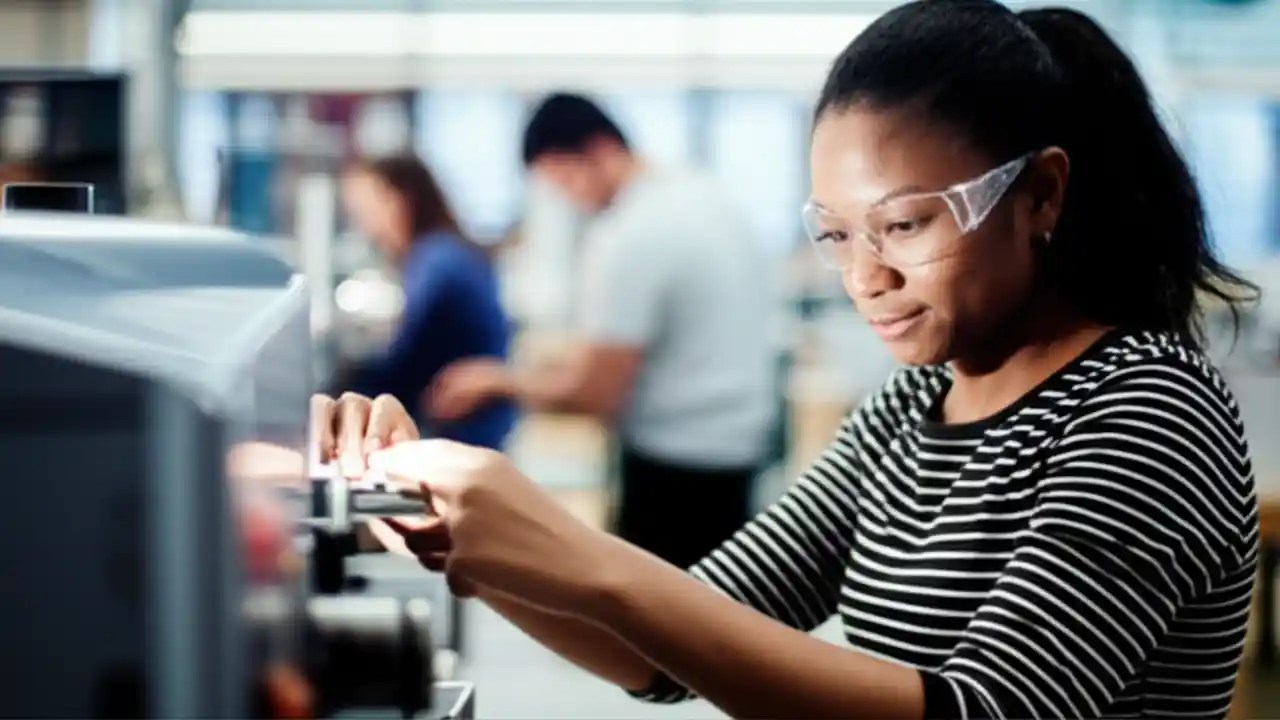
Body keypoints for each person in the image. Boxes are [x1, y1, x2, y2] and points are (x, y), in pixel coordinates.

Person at [314, 3, 1261, 718]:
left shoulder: (1146, 408)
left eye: (903, 225)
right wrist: (447, 535)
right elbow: (666, 647)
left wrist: (565, 549)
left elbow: (987, 711)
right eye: (838, 235)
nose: (867, 277)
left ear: (1041, 194)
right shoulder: (908, 411)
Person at [426, 93, 777, 569]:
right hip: (737, 453)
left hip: (673, 473)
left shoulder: (630, 233)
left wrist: (499, 382)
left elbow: (595, 394)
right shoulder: (704, 195)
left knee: (654, 627)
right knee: (719, 615)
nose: (569, 198)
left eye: (565, 179)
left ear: (600, 150)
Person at [330, 154, 515, 463]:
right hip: (476, 434)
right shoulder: (444, 253)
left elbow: (405, 364)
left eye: (366, 209)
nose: (364, 226)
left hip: (462, 437)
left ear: (402, 199)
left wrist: (334, 399)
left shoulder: (437, 262)